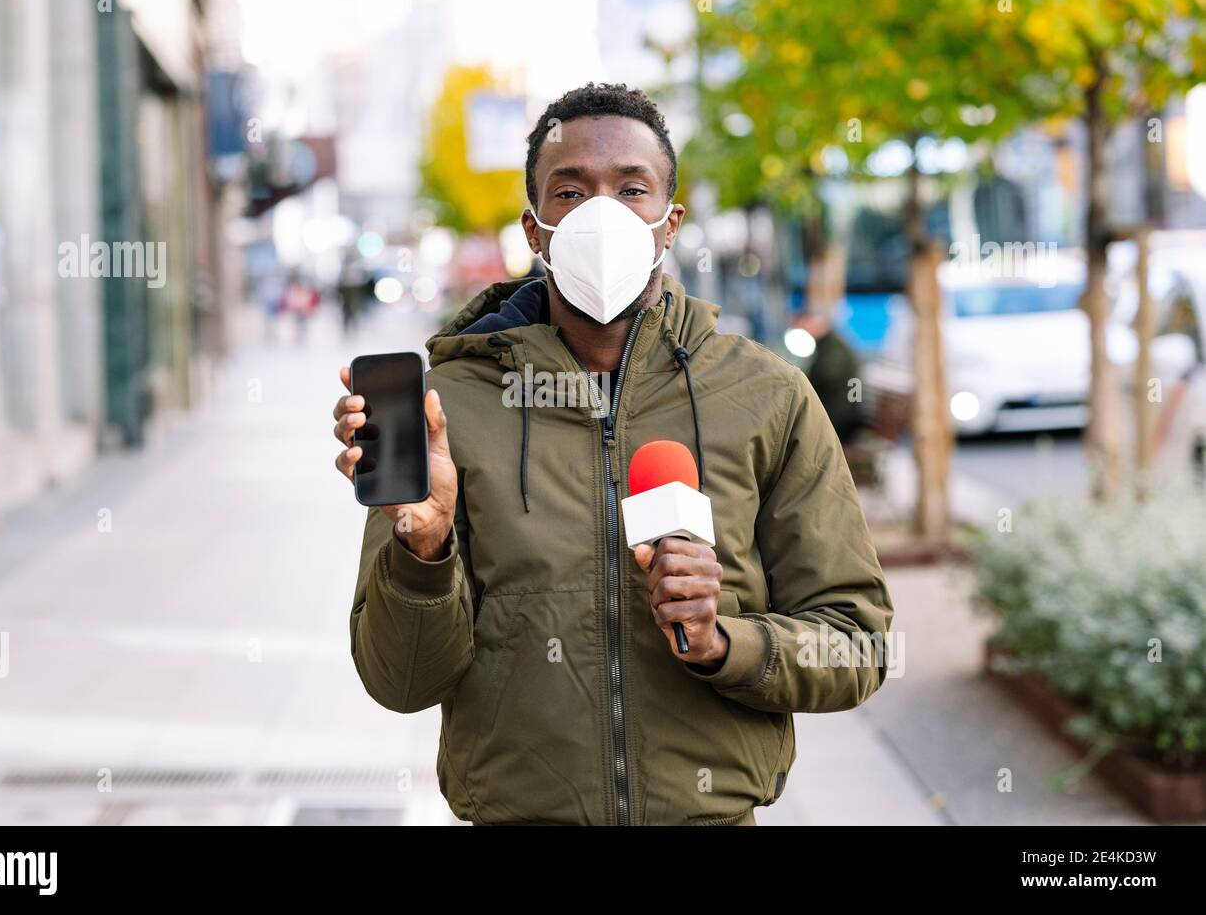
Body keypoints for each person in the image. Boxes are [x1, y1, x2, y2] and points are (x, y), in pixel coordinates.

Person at [333, 83, 893, 826]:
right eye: (571, 191)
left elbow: (857, 647)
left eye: (632, 188)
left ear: (670, 223)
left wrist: (727, 640)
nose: (602, 214)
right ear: (535, 231)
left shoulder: (768, 397)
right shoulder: (449, 411)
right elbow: (399, 681)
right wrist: (424, 545)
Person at [793, 312, 864, 445]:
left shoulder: (833, 348)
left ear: (812, 323)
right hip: (839, 412)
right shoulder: (828, 344)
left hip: (841, 418)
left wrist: (801, 381)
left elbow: (826, 377)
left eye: (801, 327)